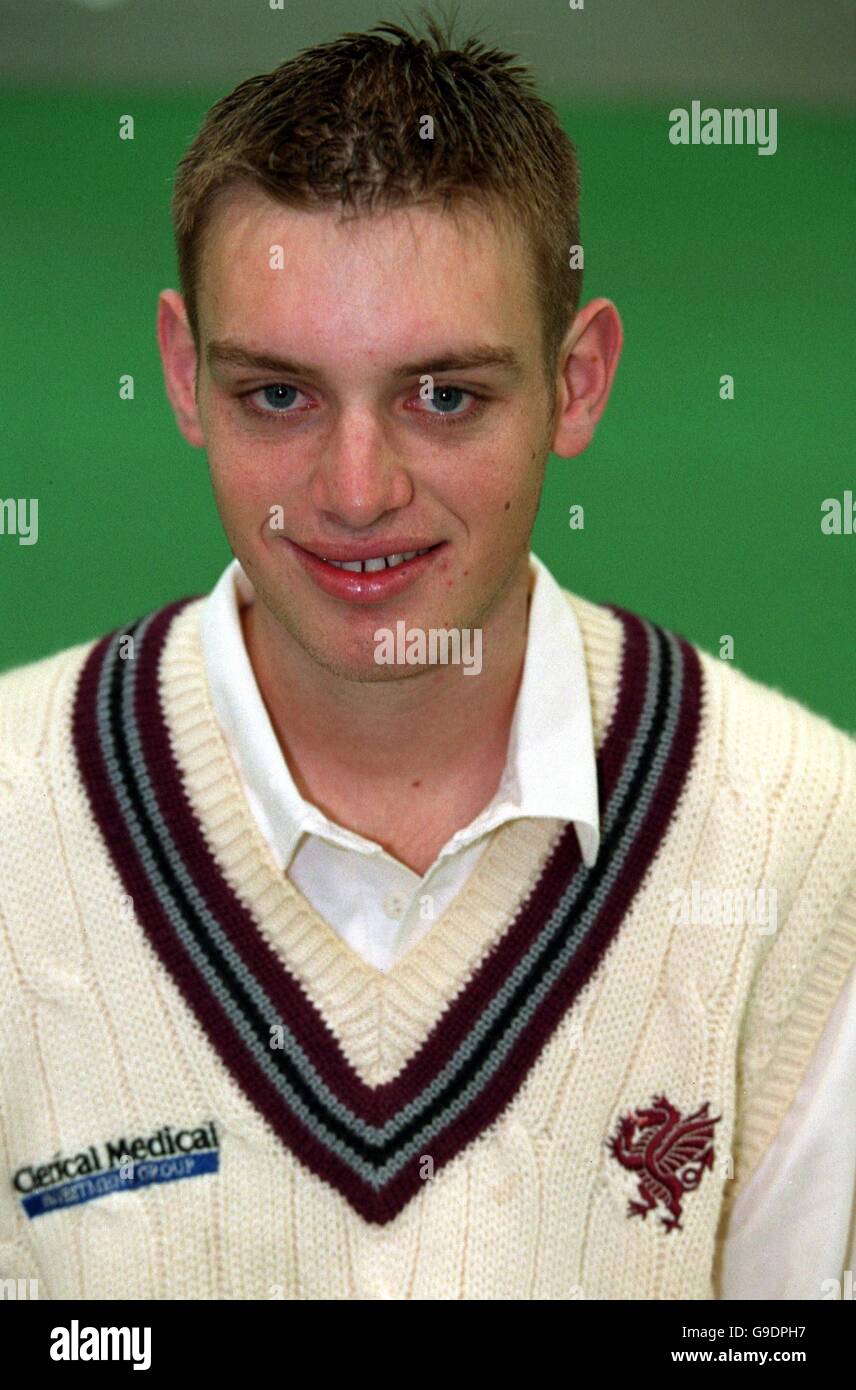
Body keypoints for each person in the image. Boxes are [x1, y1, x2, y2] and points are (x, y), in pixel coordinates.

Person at [1, 16, 854, 1301]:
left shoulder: (806, 844)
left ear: (578, 382)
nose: (355, 491)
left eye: (442, 395)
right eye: (277, 394)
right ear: (183, 374)